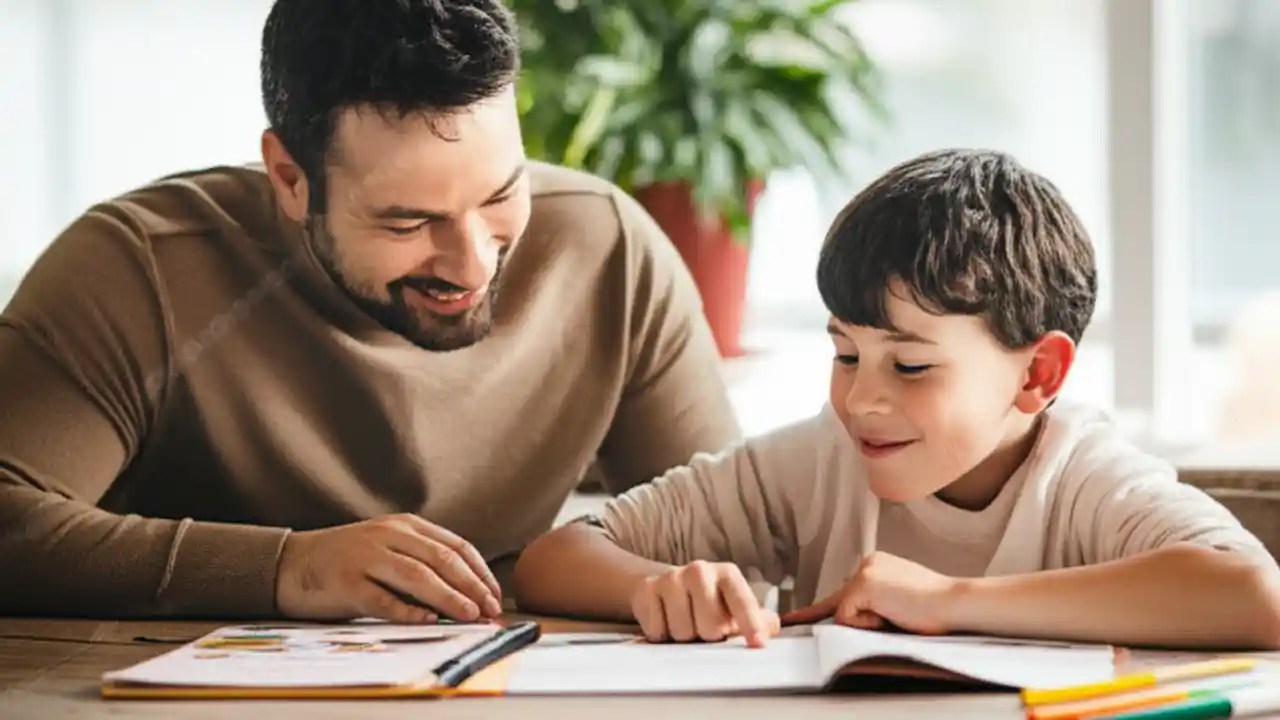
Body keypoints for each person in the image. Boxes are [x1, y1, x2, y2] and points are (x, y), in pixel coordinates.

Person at [0, 0, 739, 623]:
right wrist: (291, 568)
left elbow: (730, 533)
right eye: (408, 221)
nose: (473, 263)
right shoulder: (140, 267)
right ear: (290, 178)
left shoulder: (608, 250)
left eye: (499, 196)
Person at [513, 149, 1280, 650]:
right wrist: (654, 586)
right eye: (846, 353)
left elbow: (1255, 596)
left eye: (910, 366)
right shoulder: (821, 457)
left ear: (1038, 375)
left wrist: (948, 600)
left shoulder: (1083, 476)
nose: (862, 400)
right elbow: (554, 560)